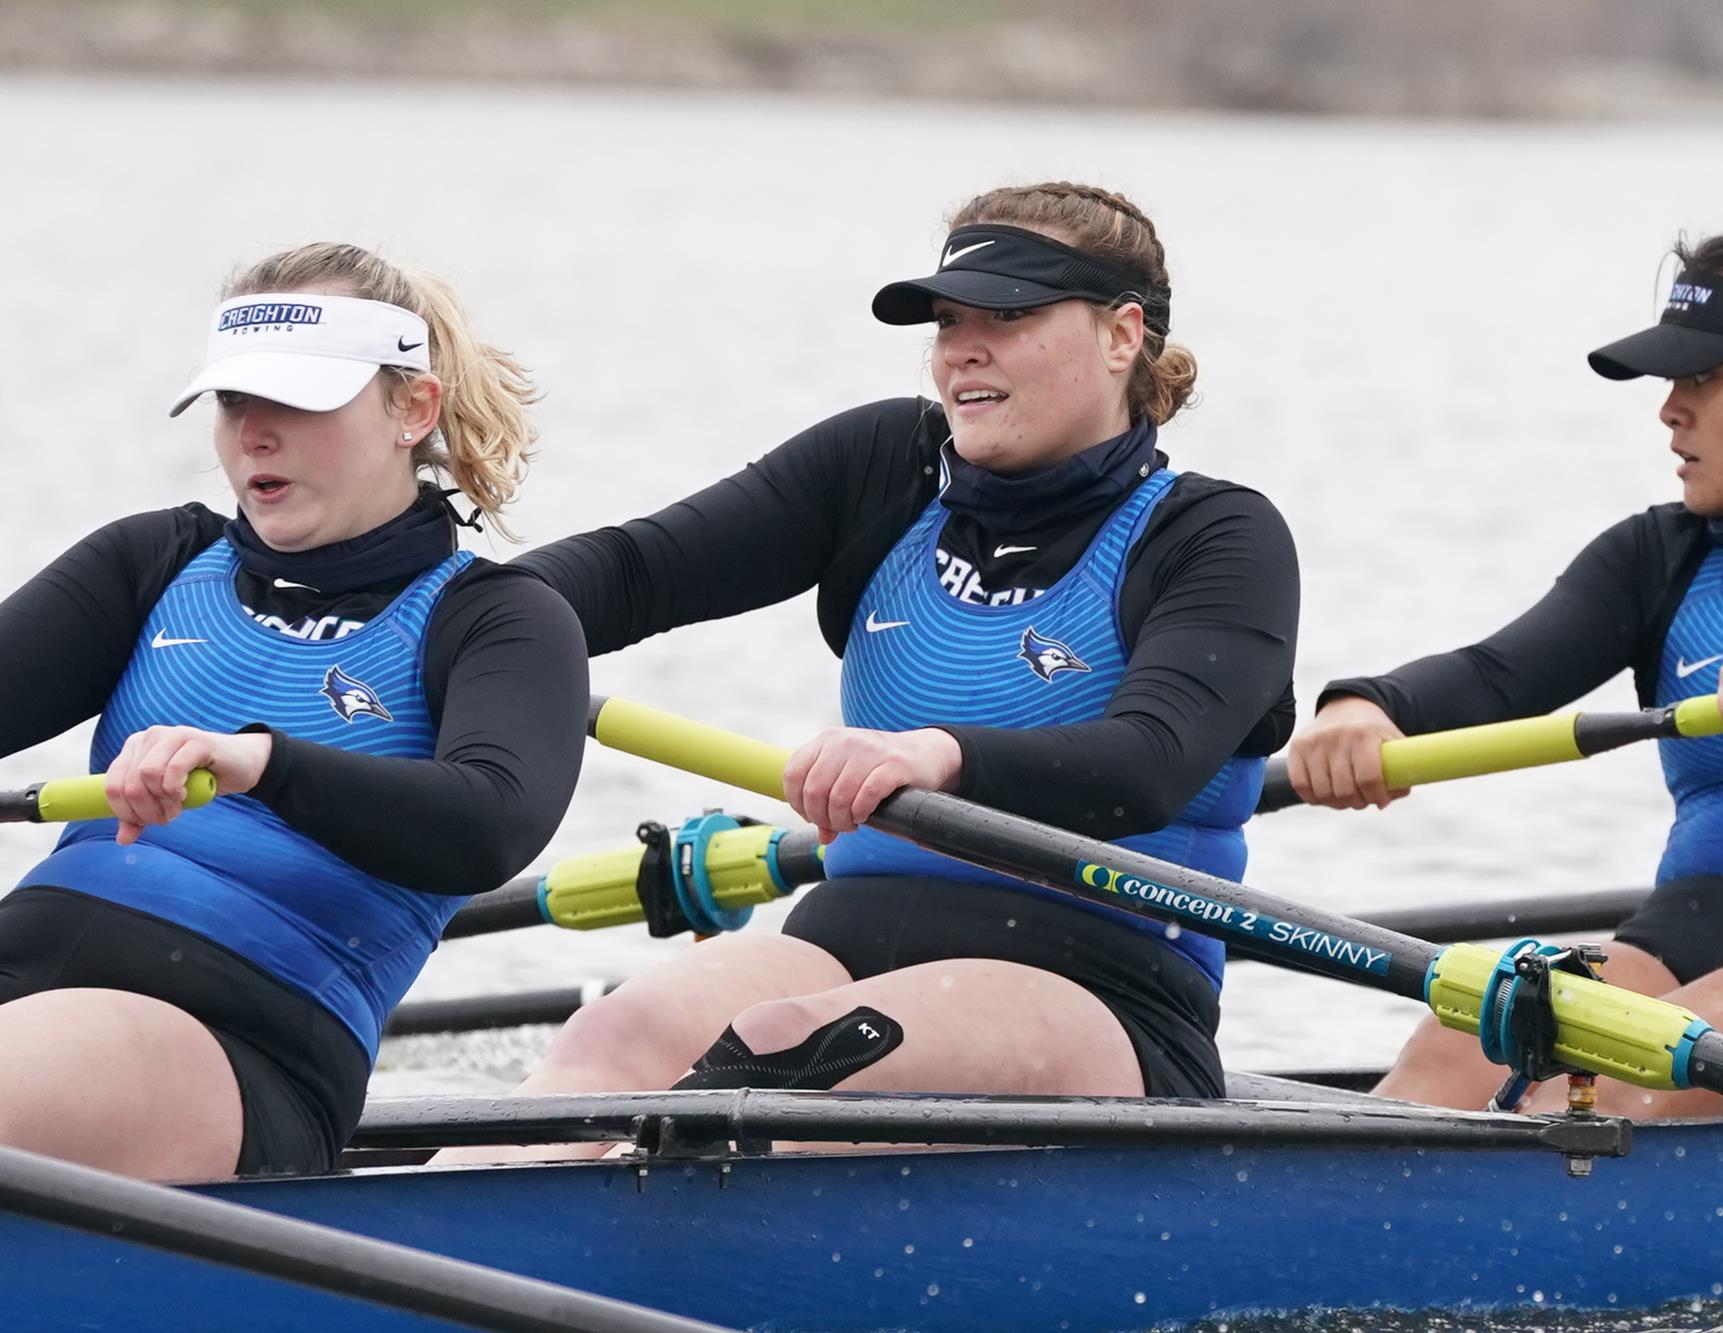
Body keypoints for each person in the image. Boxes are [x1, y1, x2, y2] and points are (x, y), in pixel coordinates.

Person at [476, 182, 1298, 1150]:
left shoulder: (1217, 536)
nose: (961, 351)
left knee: (783, 1051)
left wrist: (939, 753)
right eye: (948, 322)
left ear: (1121, 335)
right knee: (618, 1033)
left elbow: (1148, 763)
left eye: (1007, 316)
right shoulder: (886, 467)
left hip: (1101, 991)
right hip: (840, 943)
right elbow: (633, 571)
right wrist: (442, 625)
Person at [1286, 226, 1723, 1115]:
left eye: (1704, 378)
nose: (1669, 409)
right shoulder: (1659, 556)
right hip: (1677, 942)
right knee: (1456, 1043)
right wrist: (1368, 706)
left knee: (1632, 1075)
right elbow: (1498, 674)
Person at [0, 243, 588, 1179]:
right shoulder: (151, 563)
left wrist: (262, 764)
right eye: (234, 401)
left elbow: (489, 825)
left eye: (297, 401)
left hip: (237, 1047)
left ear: (412, 409)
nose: (253, 435)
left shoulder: (497, 620)